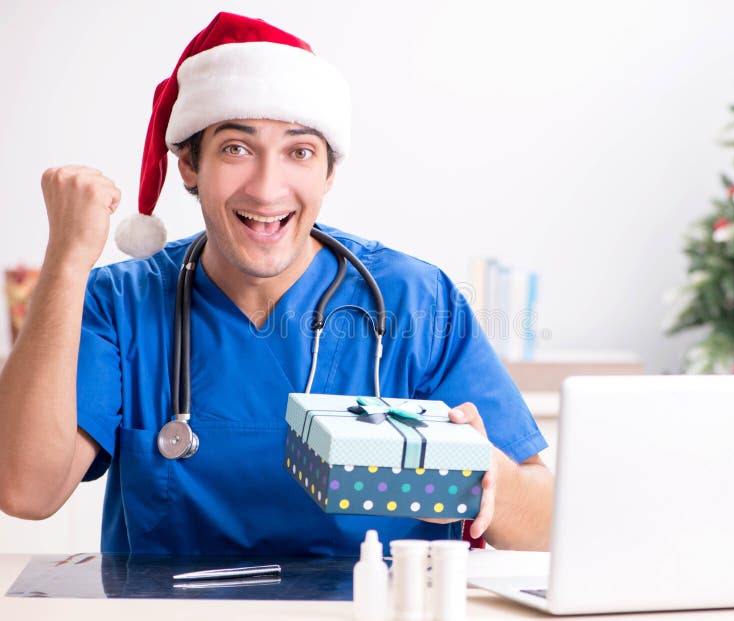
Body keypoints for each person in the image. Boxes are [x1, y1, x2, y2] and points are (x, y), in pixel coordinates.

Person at [0, 12, 553, 555]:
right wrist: (67, 260)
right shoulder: (121, 303)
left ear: (328, 172)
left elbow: (544, 527)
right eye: (236, 149)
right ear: (189, 165)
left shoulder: (416, 301)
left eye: (300, 152)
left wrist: (478, 469)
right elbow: (26, 491)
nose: (267, 190)